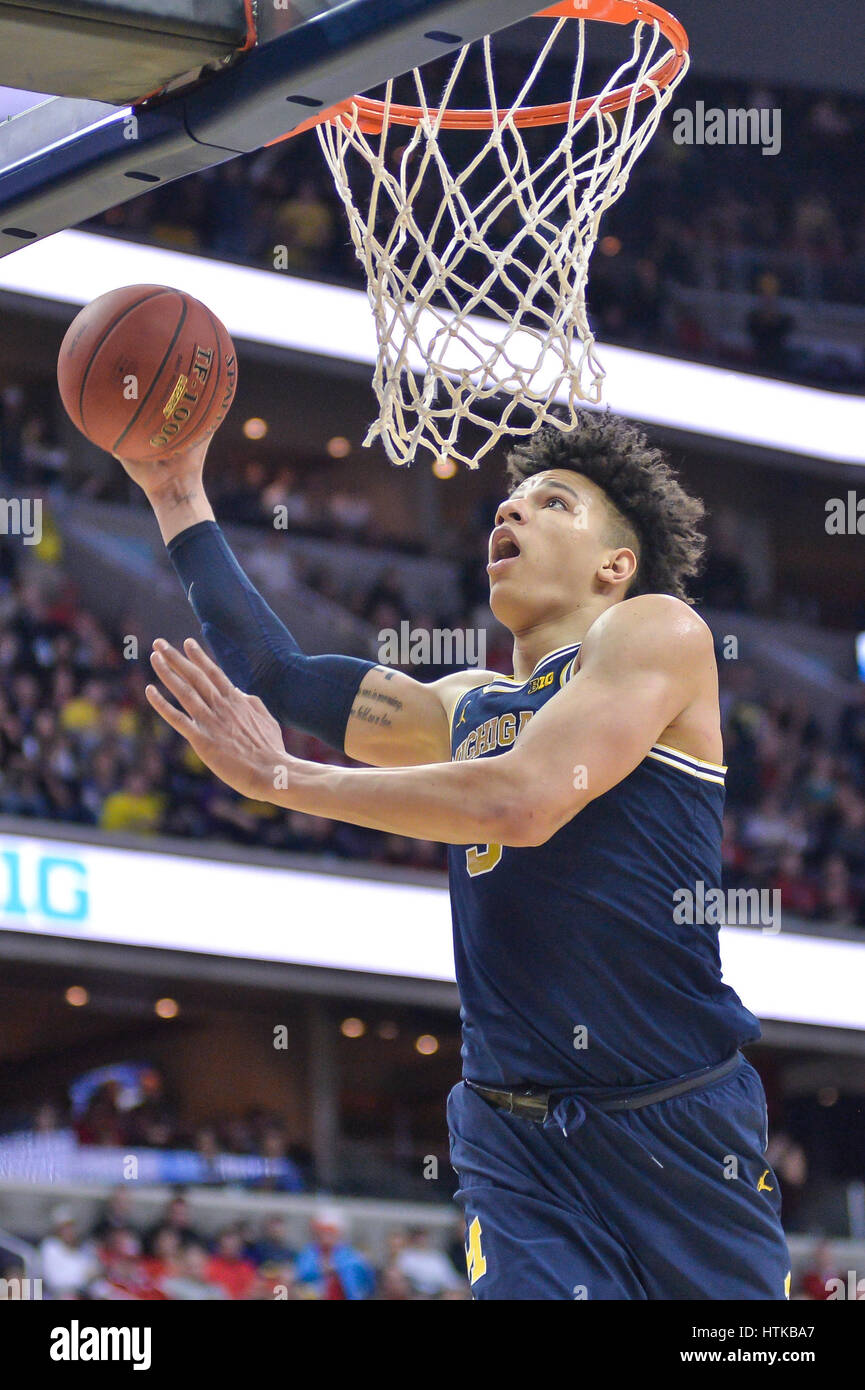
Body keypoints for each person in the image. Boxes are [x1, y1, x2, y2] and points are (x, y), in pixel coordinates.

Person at [116, 409, 790, 1301]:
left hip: (673, 1116)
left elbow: (524, 799)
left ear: (614, 566)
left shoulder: (656, 631)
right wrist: (176, 493)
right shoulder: (462, 705)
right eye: (505, 505)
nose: (508, 515)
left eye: (549, 503)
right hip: (514, 1135)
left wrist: (286, 780)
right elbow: (277, 673)